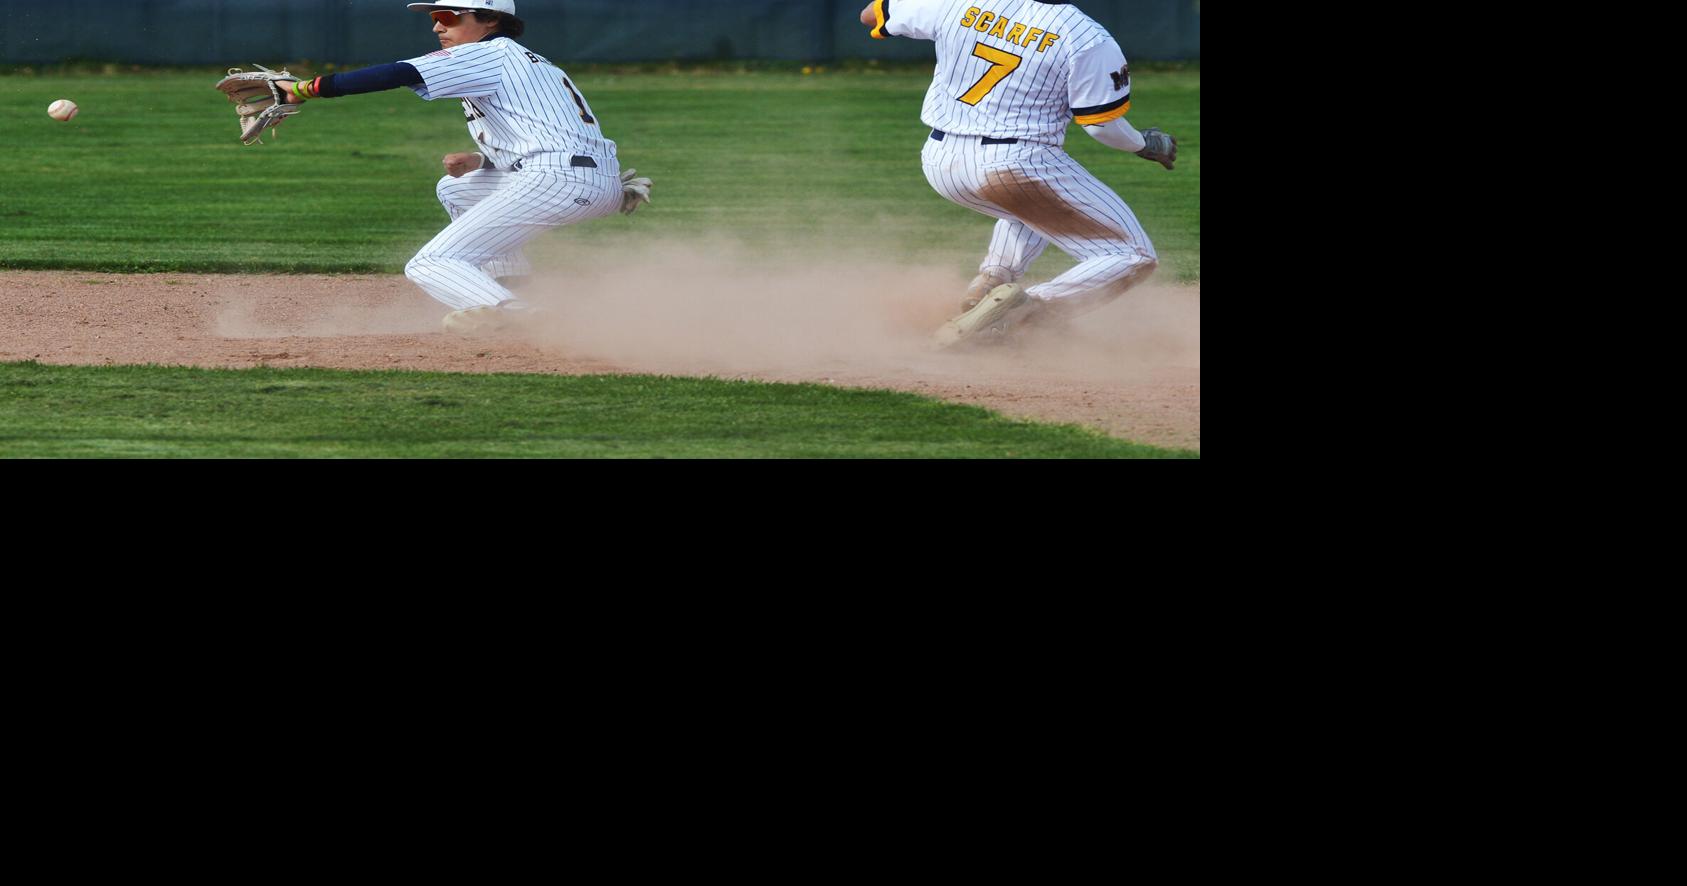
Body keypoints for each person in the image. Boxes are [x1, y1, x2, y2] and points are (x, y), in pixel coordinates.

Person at [276, 1, 652, 333]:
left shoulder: (491, 54)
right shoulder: (524, 60)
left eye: (447, 17)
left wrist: (304, 89)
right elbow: (553, 130)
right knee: (457, 188)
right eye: (436, 17)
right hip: (584, 177)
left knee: (431, 263)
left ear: (490, 20)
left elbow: (397, 73)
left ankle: (515, 313)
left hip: (558, 179)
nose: (437, 26)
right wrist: (483, 160)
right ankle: (510, 284)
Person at [859, 0, 1177, 347]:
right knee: (1133, 256)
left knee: (1033, 210)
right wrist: (1142, 144)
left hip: (940, 160)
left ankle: (990, 285)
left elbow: (871, 15)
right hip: (1017, 164)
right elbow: (1102, 126)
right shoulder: (1085, 37)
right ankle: (1020, 312)